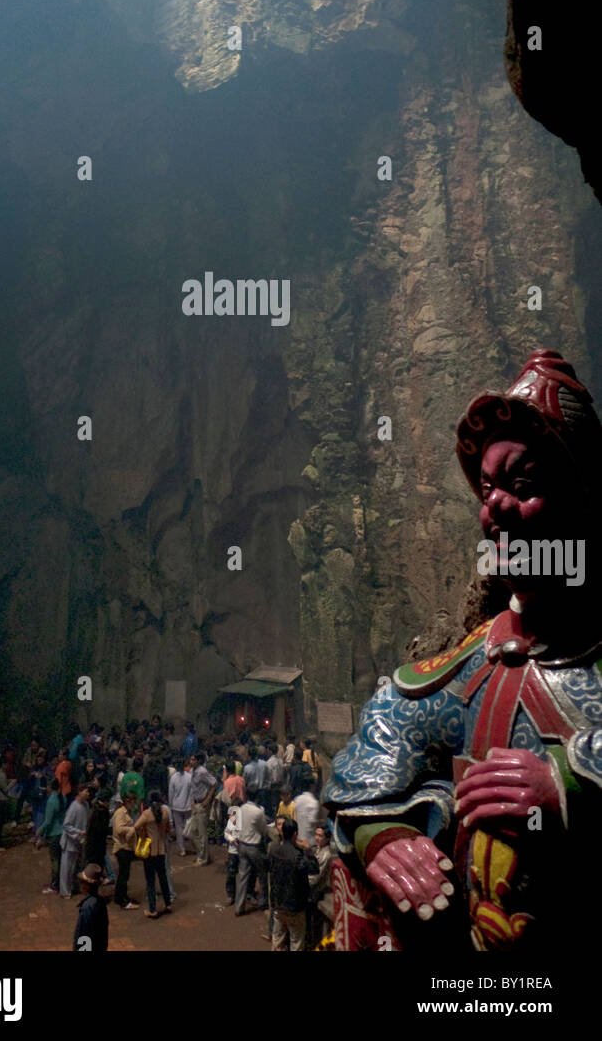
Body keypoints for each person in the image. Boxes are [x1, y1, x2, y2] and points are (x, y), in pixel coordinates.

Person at [325, 349, 602, 951]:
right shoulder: (470, 665)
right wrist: (388, 838)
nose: (494, 506)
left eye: (523, 485)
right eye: (487, 488)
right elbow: (371, 761)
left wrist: (568, 786)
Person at [267, 818, 318, 951]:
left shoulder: (274, 850)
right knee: (296, 941)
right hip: (295, 907)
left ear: (282, 832)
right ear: (295, 834)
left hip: (278, 904)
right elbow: (314, 869)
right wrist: (308, 850)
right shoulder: (298, 857)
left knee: (277, 939)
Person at [134, 790, 172, 919]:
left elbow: (136, 826)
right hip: (161, 849)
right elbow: (168, 829)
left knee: (150, 881)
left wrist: (143, 836)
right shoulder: (165, 812)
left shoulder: (147, 814)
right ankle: (168, 904)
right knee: (163, 878)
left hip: (150, 850)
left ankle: (152, 909)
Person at [234, 786, 268, 915]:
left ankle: (239, 907)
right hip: (254, 847)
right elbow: (263, 830)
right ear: (258, 797)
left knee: (242, 877)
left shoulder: (241, 808)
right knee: (263, 874)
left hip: (241, 846)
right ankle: (263, 902)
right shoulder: (258, 811)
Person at [59, 785, 90, 899]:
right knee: (66, 868)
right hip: (69, 842)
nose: (88, 794)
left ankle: (74, 887)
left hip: (79, 841)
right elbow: (66, 825)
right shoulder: (73, 807)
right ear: (79, 792)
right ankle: (65, 891)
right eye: (86, 792)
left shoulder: (86, 805)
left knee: (76, 867)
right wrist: (79, 833)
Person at [38, 777, 66, 894]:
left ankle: (55, 885)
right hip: (62, 832)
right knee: (61, 859)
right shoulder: (62, 798)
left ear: (50, 787)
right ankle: (61, 882)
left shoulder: (51, 801)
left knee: (55, 861)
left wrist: (39, 831)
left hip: (54, 834)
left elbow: (48, 821)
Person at [73, 863, 109, 953]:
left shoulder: (87, 907)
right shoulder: (100, 901)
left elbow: (84, 936)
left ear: (86, 886)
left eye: (81, 882)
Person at [112, 792, 139, 910]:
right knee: (123, 875)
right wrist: (131, 829)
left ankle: (121, 896)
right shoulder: (120, 813)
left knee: (124, 874)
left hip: (127, 847)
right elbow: (119, 829)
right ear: (128, 801)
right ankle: (122, 900)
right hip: (122, 847)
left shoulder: (126, 812)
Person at [189, 752, 216, 866]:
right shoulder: (192, 771)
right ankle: (203, 854)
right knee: (193, 831)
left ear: (199, 761)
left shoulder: (202, 771)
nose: (191, 761)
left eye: (193, 759)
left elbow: (214, 783)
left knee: (201, 833)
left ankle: (203, 858)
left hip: (202, 805)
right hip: (195, 804)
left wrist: (208, 799)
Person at [167, 756, 192, 855]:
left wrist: (170, 805)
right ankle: (193, 844)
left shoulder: (173, 777)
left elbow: (171, 793)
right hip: (187, 806)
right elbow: (192, 791)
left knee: (179, 828)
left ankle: (182, 849)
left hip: (176, 806)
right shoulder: (189, 776)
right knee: (188, 826)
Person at [292, 777, 320, 847]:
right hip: (309, 840)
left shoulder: (297, 799)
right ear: (312, 786)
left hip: (298, 837)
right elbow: (312, 822)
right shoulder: (313, 802)